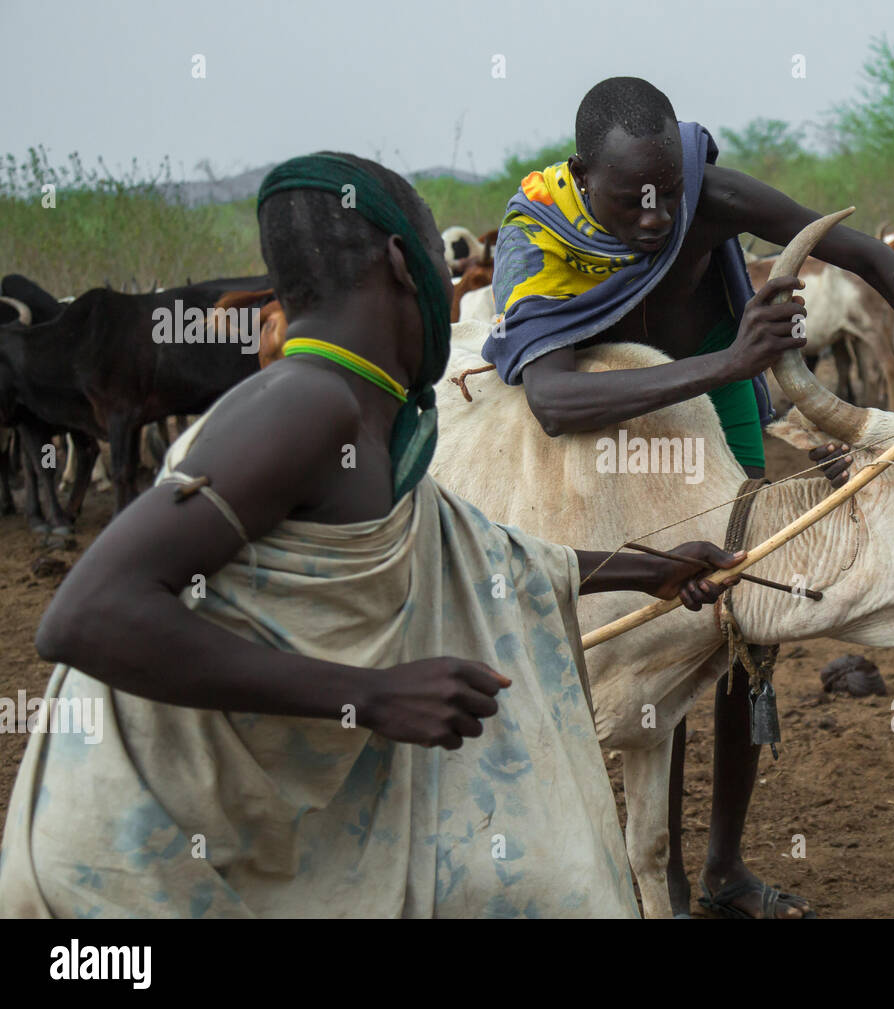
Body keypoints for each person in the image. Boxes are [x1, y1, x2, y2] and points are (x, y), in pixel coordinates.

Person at [0, 151, 746, 918]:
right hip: (120, 874)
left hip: (219, 853)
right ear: (402, 261)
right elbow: (85, 613)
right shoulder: (303, 404)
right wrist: (372, 694)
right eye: (435, 255)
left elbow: (485, 555)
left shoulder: (366, 416)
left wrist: (647, 569)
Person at [487, 76, 894, 918]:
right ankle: (662, 874)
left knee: (751, 620)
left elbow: (868, 255)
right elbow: (556, 402)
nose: (653, 217)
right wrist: (731, 363)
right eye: (630, 200)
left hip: (725, 403)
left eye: (665, 196)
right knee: (673, 615)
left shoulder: (702, 194)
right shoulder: (536, 235)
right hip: (628, 424)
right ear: (580, 173)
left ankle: (724, 868)